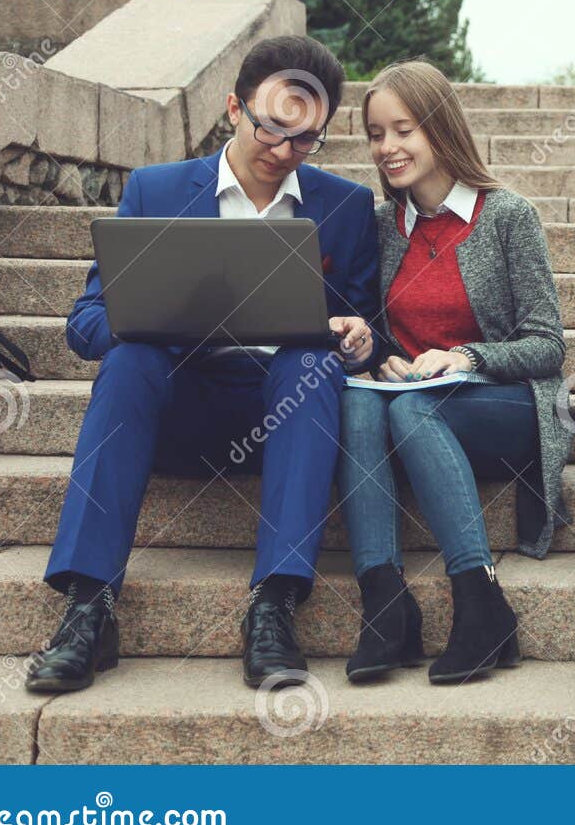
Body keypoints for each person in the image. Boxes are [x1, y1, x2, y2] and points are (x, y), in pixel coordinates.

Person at [28, 36, 380, 693]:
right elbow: (85, 324)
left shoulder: (346, 206)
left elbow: (371, 328)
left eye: (305, 139)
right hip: (175, 406)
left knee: (313, 361)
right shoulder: (155, 190)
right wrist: (156, 319)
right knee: (130, 358)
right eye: (270, 127)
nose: (282, 151)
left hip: (286, 414)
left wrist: (359, 337)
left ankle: (274, 606)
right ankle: (88, 606)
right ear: (233, 107)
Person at [336, 59, 568, 685]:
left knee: (409, 408)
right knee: (359, 400)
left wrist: (465, 357)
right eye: (376, 134)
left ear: (440, 129)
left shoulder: (507, 215)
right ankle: (385, 608)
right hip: (410, 400)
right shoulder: (382, 225)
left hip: (503, 403)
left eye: (403, 130)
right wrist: (372, 349)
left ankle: (479, 600)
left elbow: (548, 345)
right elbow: (377, 325)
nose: (387, 148)